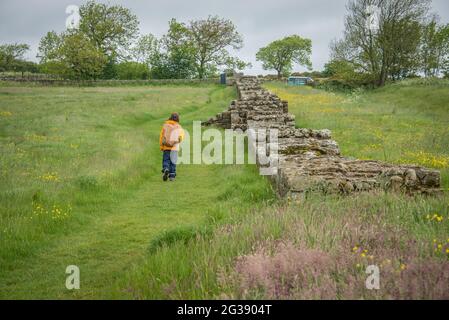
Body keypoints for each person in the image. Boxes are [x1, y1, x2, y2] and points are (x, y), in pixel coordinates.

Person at [159, 113, 184, 182]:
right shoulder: (178, 126)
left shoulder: (165, 125)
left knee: (166, 160)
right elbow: (181, 136)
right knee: (173, 162)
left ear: (170, 118)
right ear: (178, 119)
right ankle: (172, 176)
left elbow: (162, 136)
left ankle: (166, 168)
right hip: (174, 148)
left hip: (166, 147)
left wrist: (161, 146)